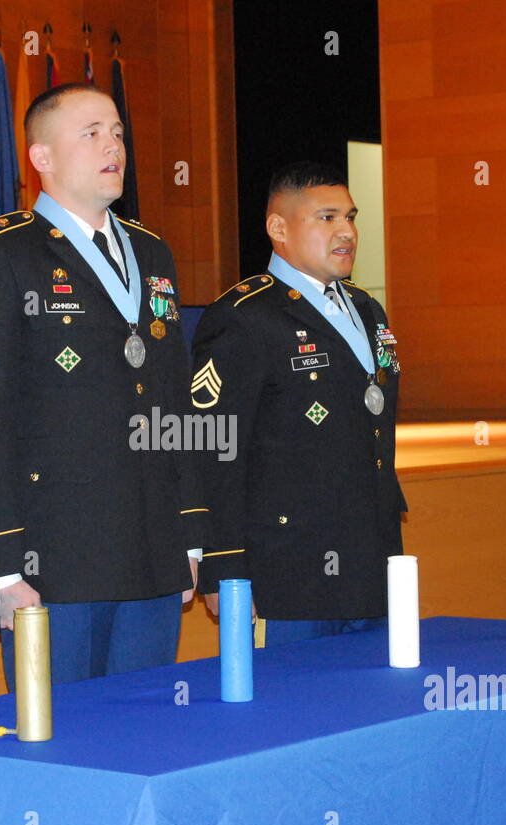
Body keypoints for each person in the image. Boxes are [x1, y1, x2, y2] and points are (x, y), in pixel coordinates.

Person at [0, 83, 204, 685]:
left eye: (116, 132)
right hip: (53, 558)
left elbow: (176, 396)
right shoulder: (3, 252)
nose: (113, 145)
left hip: (152, 547)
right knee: (61, 744)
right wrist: (3, 566)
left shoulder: (152, 251)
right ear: (41, 158)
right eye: (91, 133)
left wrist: (191, 532)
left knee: (145, 733)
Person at [191, 161, 407, 646]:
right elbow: (214, 448)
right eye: (327, 218)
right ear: (278, 228)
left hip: (371, 558)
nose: (347, 231)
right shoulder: (244, 317)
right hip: (289, 569)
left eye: (350, 217)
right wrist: (224, 565)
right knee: (300, 711)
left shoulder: (368, 311)